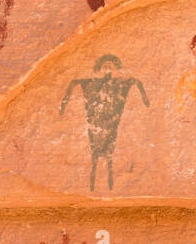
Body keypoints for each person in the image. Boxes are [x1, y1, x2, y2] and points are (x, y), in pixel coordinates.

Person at [59, 54, 149, 190]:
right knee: (95, 148)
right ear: (100, 67)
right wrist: (63, 104)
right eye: (105, 65)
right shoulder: (93, 83)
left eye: (110, 66)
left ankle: (108, 178)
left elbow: (136, 81)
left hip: (110, 121)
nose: (108, 68)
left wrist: (145, 98)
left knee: (109, 149)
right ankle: (94, 179)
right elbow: (74, 82)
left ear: (114, 67)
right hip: (96, 121)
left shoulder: (118, 83)